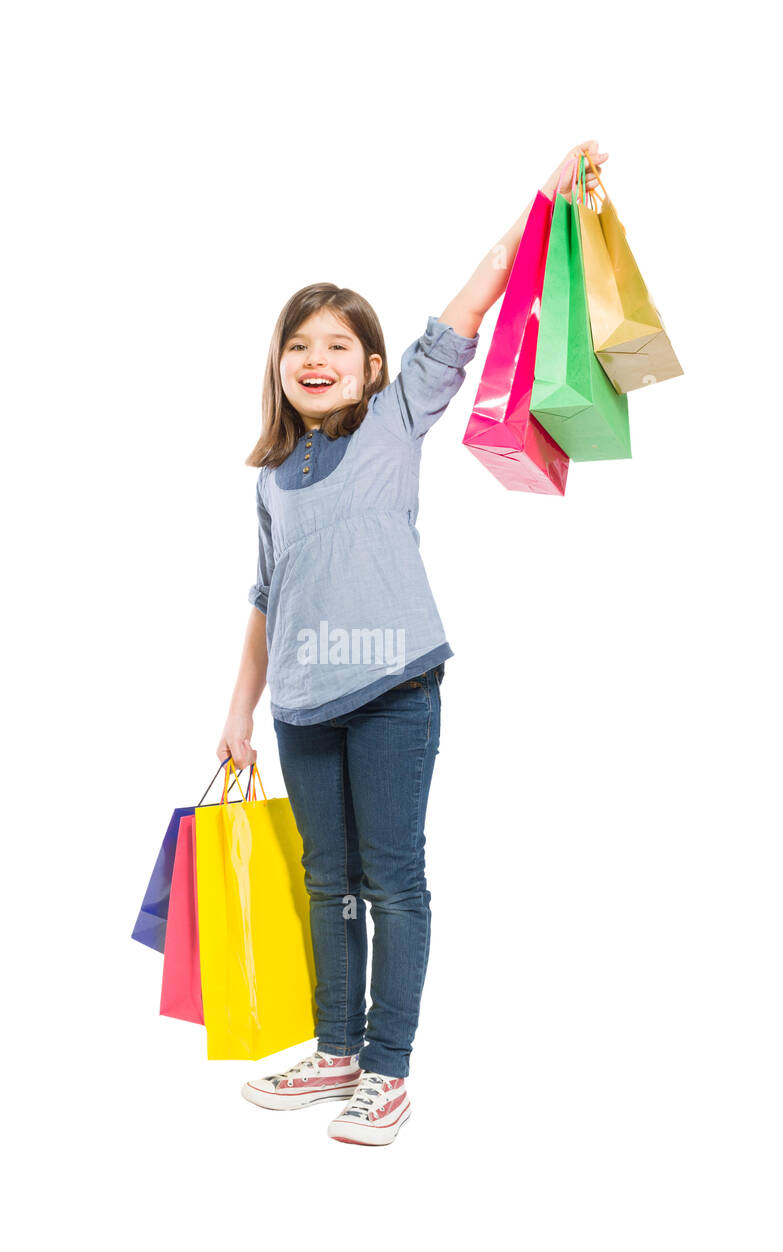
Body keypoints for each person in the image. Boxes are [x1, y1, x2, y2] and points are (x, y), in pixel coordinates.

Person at [218, 142, 607, 1147]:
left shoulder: (393, 421)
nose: (315, 358)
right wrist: (237, 709)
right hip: (300, 707)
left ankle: (385, 1071)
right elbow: (266, 594)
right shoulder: (268, 477)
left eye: (336, 345)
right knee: (323, 882)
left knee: (391, 878)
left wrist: (542, 202)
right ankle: (334, 1051)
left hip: (392, 687)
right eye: (298, 345)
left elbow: (468, 306)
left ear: (374, 366)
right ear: (279, 367)